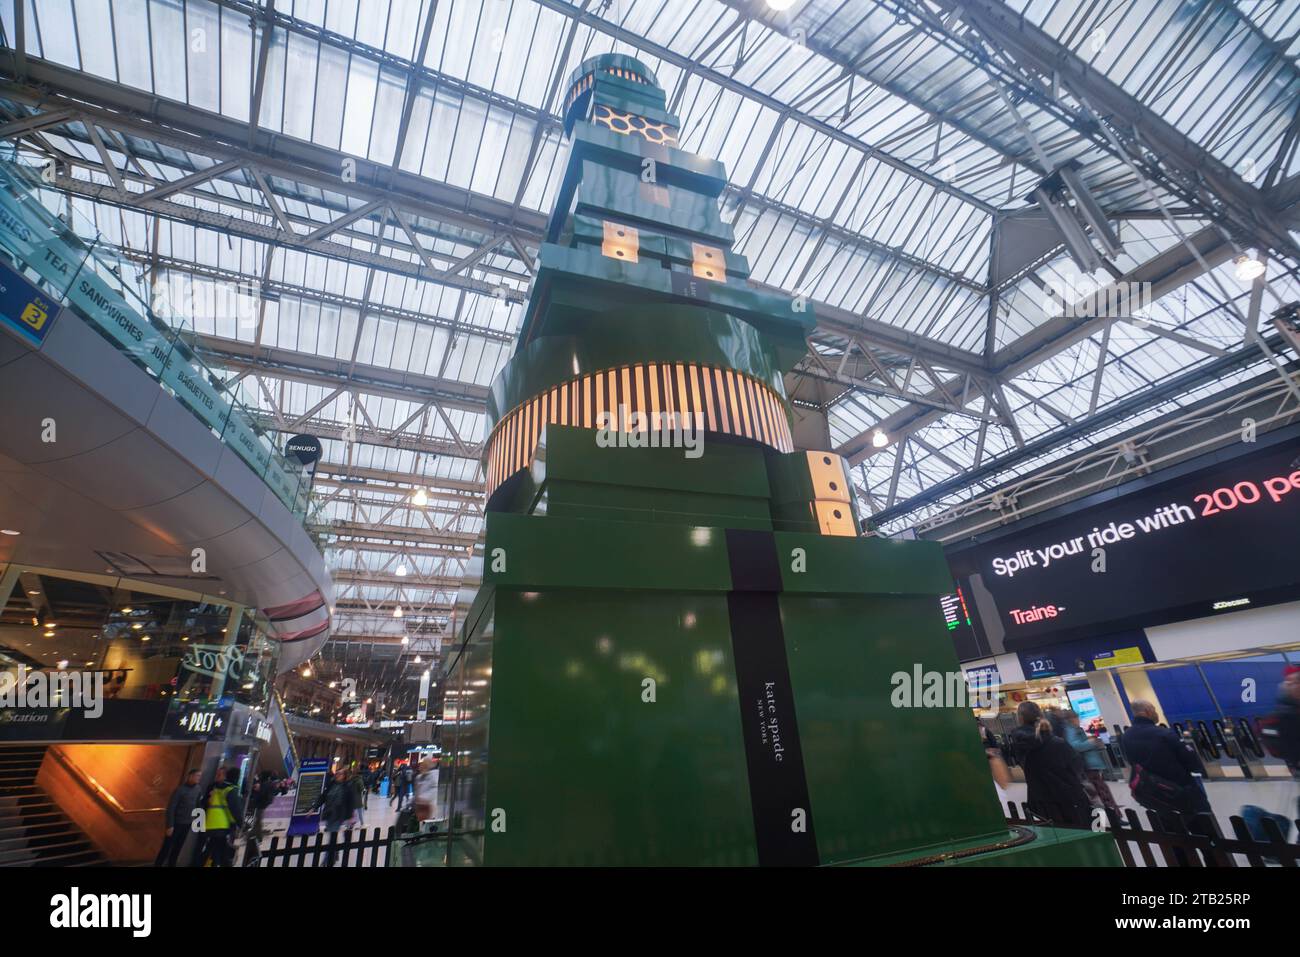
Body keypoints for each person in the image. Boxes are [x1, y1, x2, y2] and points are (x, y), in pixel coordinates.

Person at [1008, 701, 1092, 828]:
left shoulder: (1019, 746)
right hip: (1070, 797)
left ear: (1020, 718)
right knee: (1083, 832)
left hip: (1041, 800)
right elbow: (1076, 765)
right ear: (1041, 716)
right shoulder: (1057, 742)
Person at [1063, 710, 1118, 812]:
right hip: (1088, 765)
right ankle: (1114, 815)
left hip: (1087, 764)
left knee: (1099, 790)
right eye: (1077, 718)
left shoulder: (1073, 729)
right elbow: (1074, 746)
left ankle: (1112, 814)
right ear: (1072, 719)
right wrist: (1092, 742)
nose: (1078, 720)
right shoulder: (1071, 730)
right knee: (1102, 791)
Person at [196, 766, 243, 868]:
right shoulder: (229, 789)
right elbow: (235, 809)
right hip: (221, 825)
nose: (217, 776)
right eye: (217, 774)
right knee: (219, 851)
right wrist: (241, 823)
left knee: (214, 850)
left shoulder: (217, 788)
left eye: (219, 774)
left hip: (213, 824)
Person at [155, 768, 201, 867]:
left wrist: (197, 821)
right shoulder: (180, 790)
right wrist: (170, 825)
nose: (199, 778)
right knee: (166, 848)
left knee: (178, 848)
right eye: (197, 776)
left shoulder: (198, 789)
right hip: (176, 823)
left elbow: (197, 805)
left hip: (187, 823)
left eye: (200, 776)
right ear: (190, 776)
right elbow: (171, 807)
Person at [316, 768, 357, 866]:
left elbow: (351, 802)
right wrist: (314, 808)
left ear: (344, 776)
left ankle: (326, 861)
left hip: (340, 815)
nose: (338, 775)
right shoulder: (331, 785)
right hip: (330, 814)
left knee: (332, 839)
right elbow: (323, 797)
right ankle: (335, 853)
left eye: (340, 774)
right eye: (337, 773)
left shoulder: (347, 787)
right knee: (332, 837)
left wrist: (351, 815)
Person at [413, 758, 439, 827]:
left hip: (426, 805)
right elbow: (417, 791)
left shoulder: (433, 775)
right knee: (423, 823)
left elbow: (434, 789)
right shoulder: (419, 777)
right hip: (422, 804)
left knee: (425, 823)